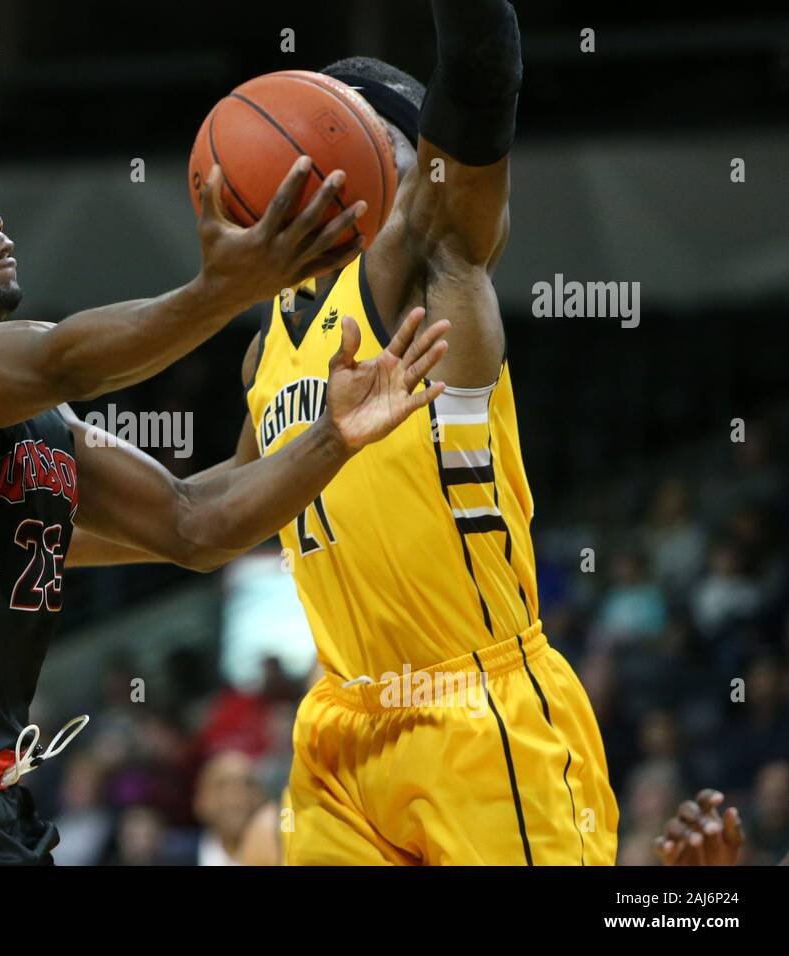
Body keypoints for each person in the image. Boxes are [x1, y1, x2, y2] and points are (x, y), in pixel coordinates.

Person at [0, 130, 450, 864]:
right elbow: (63, 359)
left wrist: (329, 432)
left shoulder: (39, 424)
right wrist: (226, 288)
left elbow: (194, 522)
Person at [73, 0, 618, 865]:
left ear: (402, 158)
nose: (306, 153)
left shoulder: (433, 261)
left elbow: (480, 76)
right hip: (337, 726)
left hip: (476, 711)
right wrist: (31, 536)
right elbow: (209, 511)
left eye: (338, 129)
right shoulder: (265, 353)